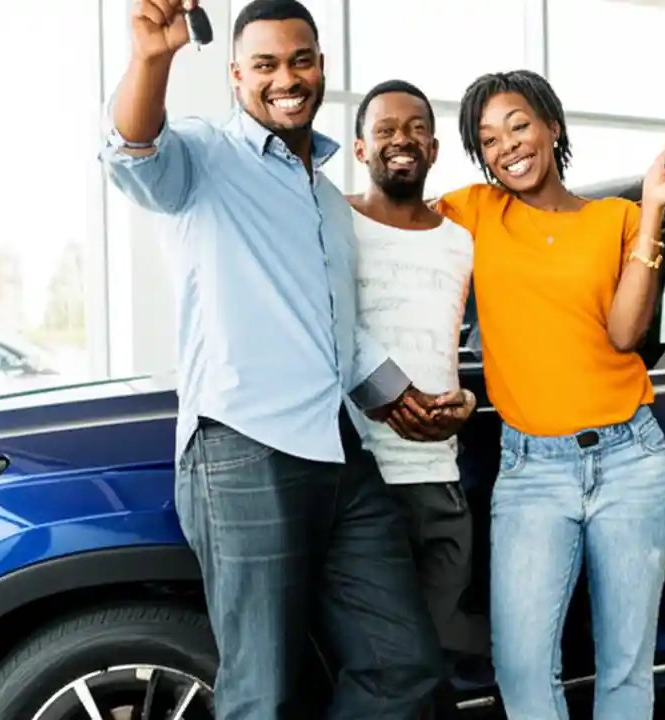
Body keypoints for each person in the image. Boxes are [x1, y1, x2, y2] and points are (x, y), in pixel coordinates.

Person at [98, 1, 471, 718]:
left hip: (339, 450)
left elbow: (340, 328)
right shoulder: (207, 159)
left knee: (404, 666)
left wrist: (406, 400)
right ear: (237, 77)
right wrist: (152, 58)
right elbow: (131, 151)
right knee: (264, 691)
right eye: (264, 65)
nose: (286, 78)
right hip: (243, 447)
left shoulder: (327, 198)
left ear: (322, 68)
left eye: (300, 60)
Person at [433, 69, 665, 719]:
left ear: (552, 126)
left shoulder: (620, 219)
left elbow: (626, 333)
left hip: (633, 463)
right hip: (532, 473)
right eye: (488, 138)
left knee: (624, 675)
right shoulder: (473, 212)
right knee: (522, 673)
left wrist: (656, 205)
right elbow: (390, 226)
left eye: (518, 125)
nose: (507, 146)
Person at [344, 79, 491, 682]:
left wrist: (471, 398)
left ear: (433, 149)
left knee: (437, 664)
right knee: (382, 666)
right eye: (385, 130)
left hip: (439, 480)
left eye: (415, 130)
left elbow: (492, 344)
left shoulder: (463, 241)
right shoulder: (334, 223)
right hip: (356, 481)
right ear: (360, 149)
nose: (401, 140)